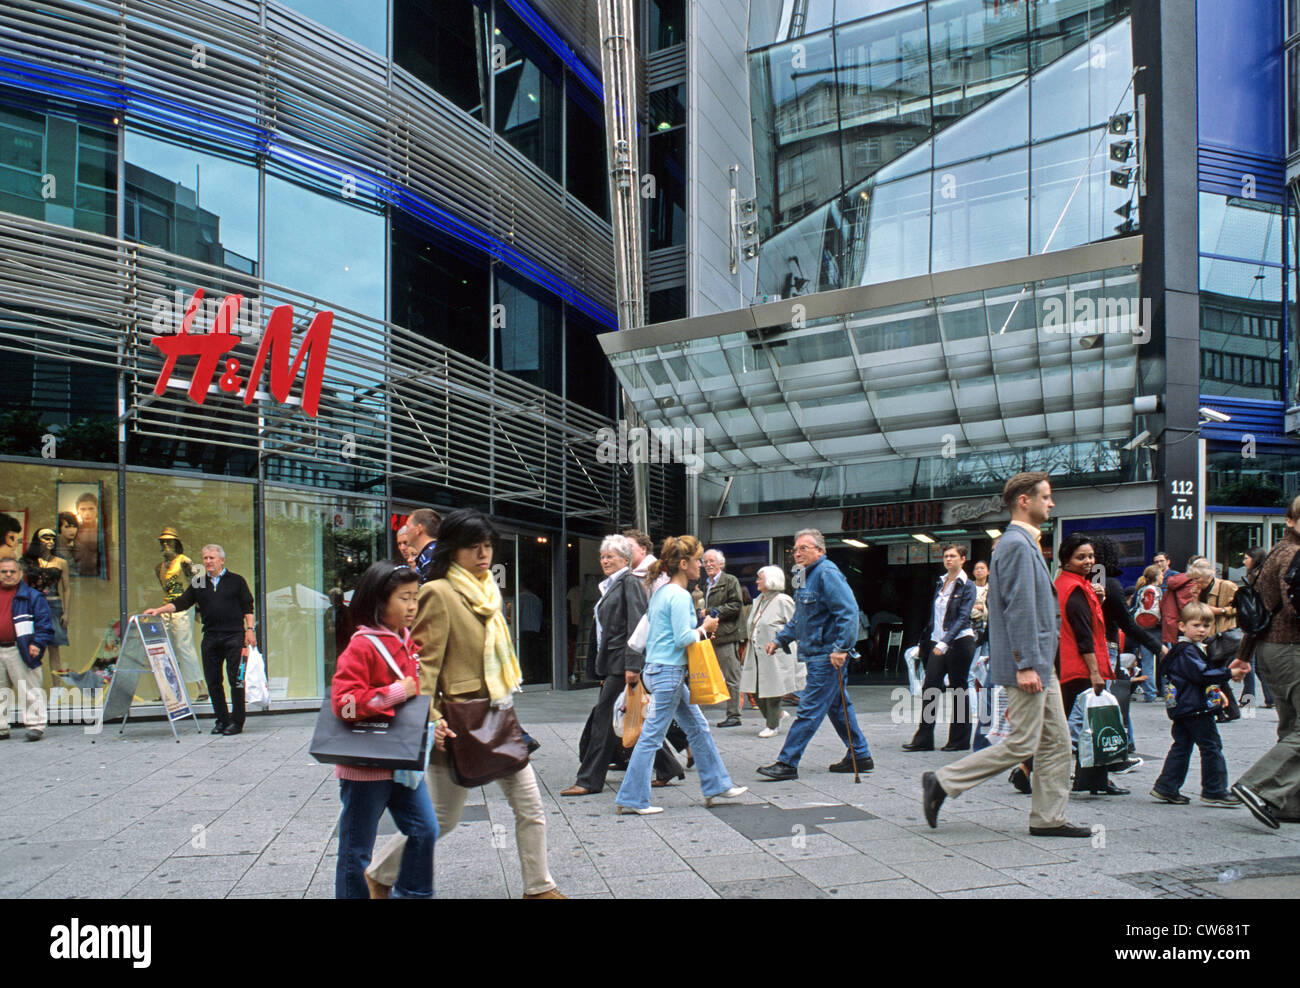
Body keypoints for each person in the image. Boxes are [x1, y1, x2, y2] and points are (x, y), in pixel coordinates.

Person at [366, 509, 564, 898]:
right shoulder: (439, 593)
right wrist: (432, 719)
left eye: (488, 546)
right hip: (458, 721)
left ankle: (539, 888)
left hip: (500, 713)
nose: (483, 554)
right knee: (442, 819)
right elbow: (423, 666)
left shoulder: (488, 588)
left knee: (530, 808)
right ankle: (379, 874)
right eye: (474, 547)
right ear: (453, 550)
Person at [922, 473, 1091, 838]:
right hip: (1029, 664)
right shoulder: (1015, 544)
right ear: (1024, 501)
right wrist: (1026, 663)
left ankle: (1048, 818)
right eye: (1046, 497)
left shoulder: (1021, 543)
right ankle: (943, 781)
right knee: (1024, 742)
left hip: (1038, 664)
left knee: (1057, 743)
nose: (1052, 503)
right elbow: (1016, 608)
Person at [613, 536, 747, 814]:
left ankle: (717, 785)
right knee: (652, 736)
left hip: (659, 670)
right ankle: (632, 799)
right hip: (669, 673)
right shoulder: (679, 595)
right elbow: (682, 638)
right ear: (684, 564)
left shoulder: (662, 592)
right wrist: (706, 626)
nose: (701, 565)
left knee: (697, 728)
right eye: (697, 560)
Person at [330, 560, 437, 898]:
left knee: (425, 830)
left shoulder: (405, 641)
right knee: (356, 848)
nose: (412, 606)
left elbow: (412, 695)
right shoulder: (363, 644)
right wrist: (395, 693)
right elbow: (344, 705)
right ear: (380, 600)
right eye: (404, 597)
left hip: (403, 762)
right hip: (367, 766)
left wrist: (436, 721)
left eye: (415, 597)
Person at [756, 529, 873, 780]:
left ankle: (787, 762)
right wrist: (779, 639)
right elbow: (801, 616)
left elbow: (849, 612)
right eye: (795, 549)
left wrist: (841, 648)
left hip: (828, 656)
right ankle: (860, 755)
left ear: (820, 550)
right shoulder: (803, 575)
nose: (797, 553)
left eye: (804, 548)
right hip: (818, 654)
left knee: (809, 709)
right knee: (839, 708)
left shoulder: (827, 573)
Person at [562, 535, 653, 797]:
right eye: (603, 556)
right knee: (628, 716)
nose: (604, 560)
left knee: (604, 718)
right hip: (613, 663)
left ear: (625, 559)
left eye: (610, 556)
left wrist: (633, 666)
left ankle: (589, 780)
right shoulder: (612, 585)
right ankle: (668, 767)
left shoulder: (630, 583)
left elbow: (637, 625)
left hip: (622, 663)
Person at [1230, 494, 1300, 828]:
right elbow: (1293, 606)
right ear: (1290, 520)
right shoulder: (1294, 556)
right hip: (1292, 649)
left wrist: (1244, 657)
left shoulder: (1274, 552)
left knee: (1291, 727)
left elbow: (1255, 613)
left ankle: (1286, 802)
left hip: (1271, 650)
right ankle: (1258, 785)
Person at [143, 544, 256, 736]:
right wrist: (158, 610)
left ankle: (237, 722)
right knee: (213, 681)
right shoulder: (199, 582)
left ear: (222, 560)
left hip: (233, 636)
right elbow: (182, 602)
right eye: (205, 558)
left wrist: (250, 630)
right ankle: (222, 719)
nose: (208, 561)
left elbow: (248, 606)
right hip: (211, 636)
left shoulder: (236, 581)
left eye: (212, 558)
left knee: (235, 680)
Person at [1147, 600, 1240, 808]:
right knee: (1211, 746)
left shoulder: (1186, 649)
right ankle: (1214, 789)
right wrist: (1228, 673)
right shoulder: (1188, 651)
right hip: (1195, 708)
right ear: (1182, 626)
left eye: (1206, 626)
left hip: (1183, 707)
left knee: (1182, 746)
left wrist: (1218, 693)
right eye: (1196, 625)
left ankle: (1166, 787)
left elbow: (1196, 677)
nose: (1201, 630)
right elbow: (1201, 675)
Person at [1054, 533, 1125, 796]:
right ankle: (1095, 779)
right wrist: (1095, 672)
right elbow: (1084, 636)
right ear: (1066, 559)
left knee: (1070, 722)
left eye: (1091, 556)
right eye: (1080, 557)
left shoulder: (1066, 584)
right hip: (1079, 667)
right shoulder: (1075, 590)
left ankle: (1094, 779)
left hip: (1068, 665)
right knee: (1091, 723)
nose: (1088, 561)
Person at [904, 544, 977, 752]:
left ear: (963, 559)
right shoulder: (940, 582)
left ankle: (960, 740)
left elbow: (963, 617)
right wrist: (928, 641)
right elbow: (935, 616)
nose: (948, 559)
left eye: (953, 556)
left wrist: (946, 641)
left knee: (958, 689)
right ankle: (924, 739)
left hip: (960, 642)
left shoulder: (967, 585)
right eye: (946, 556)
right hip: (938, 642)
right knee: (930, 688)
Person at [740, 565, 798, 738]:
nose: (756, 581)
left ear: (771, 580)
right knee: (754, 687)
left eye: (760, 578)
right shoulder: (759, 600)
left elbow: (795, 625)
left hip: (776, 654)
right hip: (756, 652)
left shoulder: (783, 600)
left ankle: (772, 724)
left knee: (773, 689)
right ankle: (778, 715)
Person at [0, 556, 54, 740]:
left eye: (12, 571)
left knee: (29, 689)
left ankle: (36, 726)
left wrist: (37, 643)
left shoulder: (32, 596)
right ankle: (1, 727)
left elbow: (45, 624)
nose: (8, 574)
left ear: (20, 574)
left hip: (21, 648)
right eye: (3, 571)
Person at [153, 528, 205, 695]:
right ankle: (168, 690)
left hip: (183, 607)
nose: (166, 544)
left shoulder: (185, 561)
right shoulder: (159, 567)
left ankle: (201, 687)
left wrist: (199, 608)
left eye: (170, 541)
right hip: (166, 607)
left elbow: (199, 583)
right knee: (163, 648)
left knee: (184, 646)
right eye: (163, 541)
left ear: (177, 542)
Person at [701, 549, 745, 727]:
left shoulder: (729, 580)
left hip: (726, 635)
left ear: (721, 564)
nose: (708, 565)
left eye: (712, 561)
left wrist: (714, 611)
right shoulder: (706, 584)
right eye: (706, 562)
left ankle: (734, 715)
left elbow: (736, 605)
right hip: (712, 636)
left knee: (731, 676)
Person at [21, 530, 70, 671]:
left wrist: (66, 612)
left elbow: (67, 588)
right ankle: (33, 687)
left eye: (53, 539)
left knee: (54, 648)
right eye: (46, 538)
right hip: (33, 605)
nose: (50, 541)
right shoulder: (28, 562)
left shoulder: (61, 562)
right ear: (38, 540)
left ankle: (56, 689)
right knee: (32, 645)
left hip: (54, 605)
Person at [1237, 546, 1274, 708]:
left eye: (1246, 558)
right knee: (1256, 666)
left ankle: (1252, 697)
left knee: (1254, 665)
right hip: (1259, 628)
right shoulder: (1255, 576)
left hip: (1260, 628)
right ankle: (1265, 697)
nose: (1244, 561)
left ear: (1255, 559)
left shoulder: (1259, 578)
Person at [1131, 564, 1165, 702]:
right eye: (1161, 574)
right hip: (1157, 628)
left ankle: (1149, 693)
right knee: (1164, 659)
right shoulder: (1158, 590)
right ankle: (1164, 690)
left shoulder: (1140, 590)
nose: (1163, 576)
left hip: (1143, 629)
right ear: (1157, 577)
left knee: (1146, 662)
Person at [406, 508, 440, 583]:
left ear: (418, 529)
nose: (406, 532)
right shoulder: (433, 552)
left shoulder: (430, 556)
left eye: (407, 526)